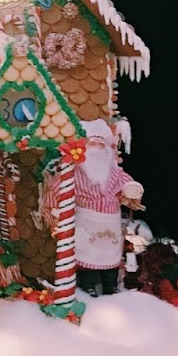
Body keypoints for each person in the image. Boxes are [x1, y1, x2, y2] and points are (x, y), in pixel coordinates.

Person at [73, 119, 144, 296]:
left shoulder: (113, 170)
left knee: (110, 255)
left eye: (101, 144)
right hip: (87, 220)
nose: (97, 148)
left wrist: (131, 188)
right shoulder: (76, 170)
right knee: (87, 254)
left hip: (110, 221)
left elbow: (124, 180)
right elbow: (60, 186)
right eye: (92, 144)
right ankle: (88, 286)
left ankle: (110, 286)